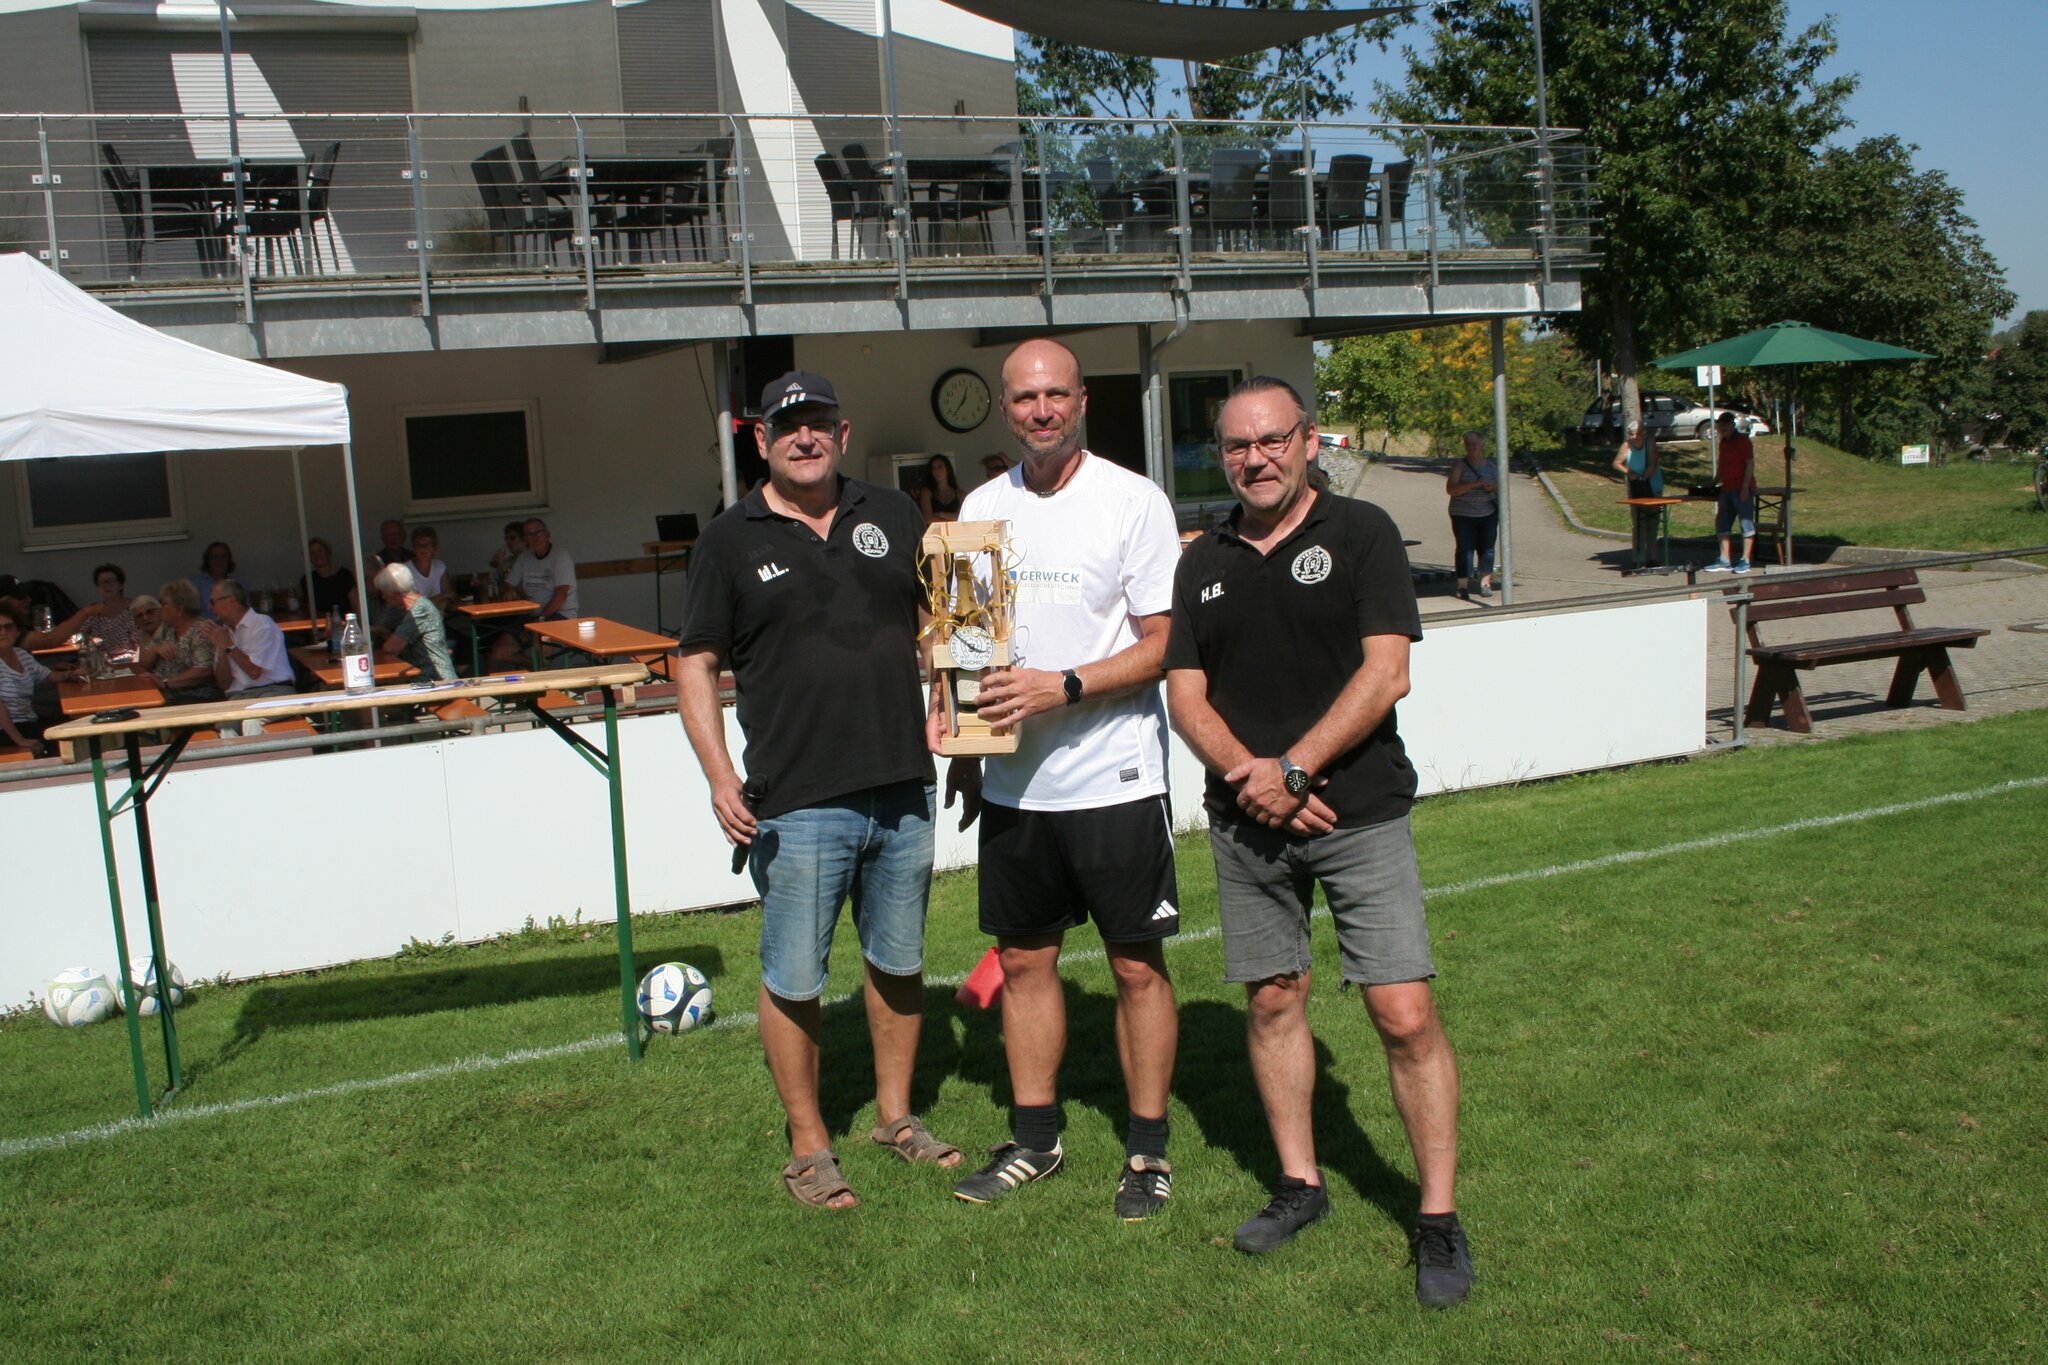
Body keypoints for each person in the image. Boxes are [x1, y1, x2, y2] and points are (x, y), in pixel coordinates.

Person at [1164, 375, 1473, 1307]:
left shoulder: (1364, 533)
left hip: (1359, 811)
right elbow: (1185, 694)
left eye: (1271, 440)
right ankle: (1300, 1184)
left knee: (1403, 1013)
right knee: (1271, 1002)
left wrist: (1292, 769)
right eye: (1236, 446)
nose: (1254, 458)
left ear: (1306, 442)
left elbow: (1388, 676)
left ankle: (1437, 1216)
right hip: (1246, 821)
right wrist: (1253, 782)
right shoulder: (1202, 558)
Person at [677, 370, 957, 1210]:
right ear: (761, 441)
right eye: (787, 425)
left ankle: (897, 1118)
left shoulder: (893, 514)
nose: (805, 437)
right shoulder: (729, 538)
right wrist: (720, 772)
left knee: (899, 962)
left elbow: (941, 618)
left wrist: (948, 698)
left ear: (843, 432)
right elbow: (695, 661)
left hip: (901, 783)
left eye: (819, 423)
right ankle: (808, 1145)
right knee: (794, 976)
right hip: (796, 800)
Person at [942, 338, 1183, 1220]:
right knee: (1023, 961)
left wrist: (1067, 684)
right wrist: (963, 740)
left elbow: (1164, 643)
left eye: (1055, 394)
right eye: (1023, 397)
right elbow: (966, 650)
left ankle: (1148, 1152)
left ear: (1082, 400)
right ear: (1006, 409)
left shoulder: (1133, 500)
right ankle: (1036, 1141)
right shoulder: (976, 506)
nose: (1040, 410)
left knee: (1135, 969)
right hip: (1016, 788)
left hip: (1114, 775)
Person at [200, 581, 294, 730]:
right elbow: (223, 684)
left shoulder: (262, 624)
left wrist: (229, 646)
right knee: (225, 725)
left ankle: (255, 754)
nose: (209, 608)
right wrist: (222, 648)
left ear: (231, 600)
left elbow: (254, 672)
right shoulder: (223, 631)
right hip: (239, 696)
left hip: (274, 691)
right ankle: (234, 754)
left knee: (252, 721)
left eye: (212, 602)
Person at [492, 518, 580, 666]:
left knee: (540, 636)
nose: (534, 538)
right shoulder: (524, 557)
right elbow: (507, 584)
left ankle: (544, 677)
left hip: (560, 615)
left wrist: (540, 619)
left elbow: (561, 595)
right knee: (499, 652)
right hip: (531, 615)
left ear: (547, 534)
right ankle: (543, 672)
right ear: (525, 539)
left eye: (537, 533)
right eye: (529, 534)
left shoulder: (560, 555)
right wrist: (508, 590)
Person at [140, 579, 221, 705]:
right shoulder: (166, 628)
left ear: (179, 609)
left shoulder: (200, 631)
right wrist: (156, 649)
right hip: (162, 695)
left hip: (193, 698)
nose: (160, 609)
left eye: (164, 604)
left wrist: (165, 683)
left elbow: (203, 670)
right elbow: (143, 662)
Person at [0, 602, 67, 754]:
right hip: (7, 730)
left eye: (8, 627)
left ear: (17, 631)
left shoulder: (21, 655)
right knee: (61, 743)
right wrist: (20, 740)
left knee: (69, 729)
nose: (3, 632)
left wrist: (70, 674)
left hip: (28, 722)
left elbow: (47, 675)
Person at [372, 562, 456, 682]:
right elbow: (401, 641)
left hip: (435, 680)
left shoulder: (419, 611)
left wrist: (381, 632)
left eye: (384, 593)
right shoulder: (419, 605)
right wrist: (383, 632)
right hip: (424, 677)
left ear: (394, 593)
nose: (384, 597)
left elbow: (391, 647)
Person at [1444, 431, 1499, 600]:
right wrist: (1475, 484)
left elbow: (1501, 486)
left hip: (1487, 513)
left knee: (1487, 548)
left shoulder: (1491, 466)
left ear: (1482, 446)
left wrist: (1492, 487)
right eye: (1468, 444)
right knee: (1465, 548)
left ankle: (1485, 583)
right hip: (1463, 514)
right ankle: (1462, 586)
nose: (1471, 447)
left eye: (1474, 444)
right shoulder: (1460, 465)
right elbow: (1451, 489)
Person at [1704, 411, 1757, 575]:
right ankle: (1724, 559)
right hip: (1726, 488)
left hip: (1741, 488)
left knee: (1745, 523)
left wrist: (1745, 487)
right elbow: (1722, 465)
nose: (1722, 429)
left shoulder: (1742, 441)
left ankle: (1745, 560)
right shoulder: (1723, 442)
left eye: (1725, 426)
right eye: (1720, 426)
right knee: (1722, 523)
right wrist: (1713, 483)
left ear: (1732, 425)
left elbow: (1749, 464)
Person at [1611, 420, 1664, 569]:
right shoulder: (1627, 445)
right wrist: (1630, 473)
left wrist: (1644, 477)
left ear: (1643, 433)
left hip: (1653, 487)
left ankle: (1652, 557)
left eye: (1638, 434)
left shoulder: (1650, 442)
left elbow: (1653, 462)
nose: (1635, 437)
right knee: (1639, 523)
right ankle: (1638, 558)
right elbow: (1616, 463)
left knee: (1653, 523)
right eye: (1632, 434)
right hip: (1636, 489)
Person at [300, 536, 359, 617]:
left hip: (345, 622)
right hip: (322, 623)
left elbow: (355, 604)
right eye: (312, 553)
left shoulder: (344, 575)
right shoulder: (307, 580)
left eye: (320, 551)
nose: (316, 555)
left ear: (327, 553)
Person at [407, 526, 454, 611]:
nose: (423, 549)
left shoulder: (440, 566)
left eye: (426, 545)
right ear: (414, 549)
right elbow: (414, 605)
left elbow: (449, 594)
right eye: (419, 545)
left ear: (434, 548)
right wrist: (440, 597)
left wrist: (442, 604)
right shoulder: (406, 570)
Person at [191, 542, 236, 621]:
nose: (219, 560)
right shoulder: (195, 584)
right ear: (207, 560)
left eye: (223, 556)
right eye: (215, 557)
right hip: (205, 630)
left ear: (229, 559)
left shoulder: (238, 584)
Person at [916, 453, 964, 524]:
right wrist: (952, 523)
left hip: (954, 534)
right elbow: (928, 518)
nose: (936, 471)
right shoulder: (926, 492)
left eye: (940, 467)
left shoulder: (960, 494)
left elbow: (961, 517)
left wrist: (939, 514)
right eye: (933, 468)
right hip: (933, 534)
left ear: (947, 469)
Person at [489, 520, 527, 595]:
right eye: (506, 538)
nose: (508, 541)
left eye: (512, 538)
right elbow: (497, 587)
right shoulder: (508, 561)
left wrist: (503, 567)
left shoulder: (531, 560)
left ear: (524, 539)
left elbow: (522, 590)